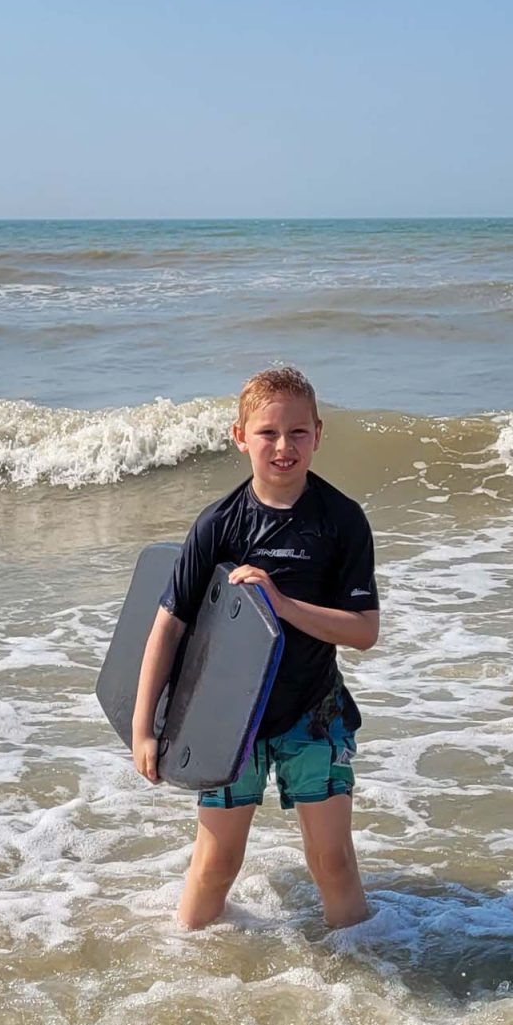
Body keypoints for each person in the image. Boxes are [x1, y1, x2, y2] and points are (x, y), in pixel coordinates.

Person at [130, 367, 380, 929]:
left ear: (319, 434)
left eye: (297, 432)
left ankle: (371, 977)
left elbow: (364, 631)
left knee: (333, 863)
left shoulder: (341, 522)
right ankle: (185, 969)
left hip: (315, 713)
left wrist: (280, 604)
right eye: (267, 433)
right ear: (239, 436)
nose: (284, 447)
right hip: (230, 721)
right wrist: (144, 727)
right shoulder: (219, 524)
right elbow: (167, 626)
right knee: (217, 863)